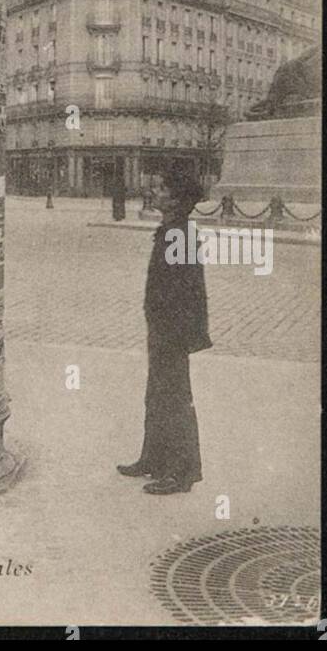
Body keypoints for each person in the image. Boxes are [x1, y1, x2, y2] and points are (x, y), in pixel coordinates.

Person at [117, 165, 211, 495]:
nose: (154, 192)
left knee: (175, 398)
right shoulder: (172, 229)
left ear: (176, 199)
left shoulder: (180, 234)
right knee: (157, 394)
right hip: (163, 326)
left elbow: (188, 288)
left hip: (173, 329)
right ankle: (154, 459)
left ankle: (181, 473)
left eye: (161, 188)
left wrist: (178, 333)